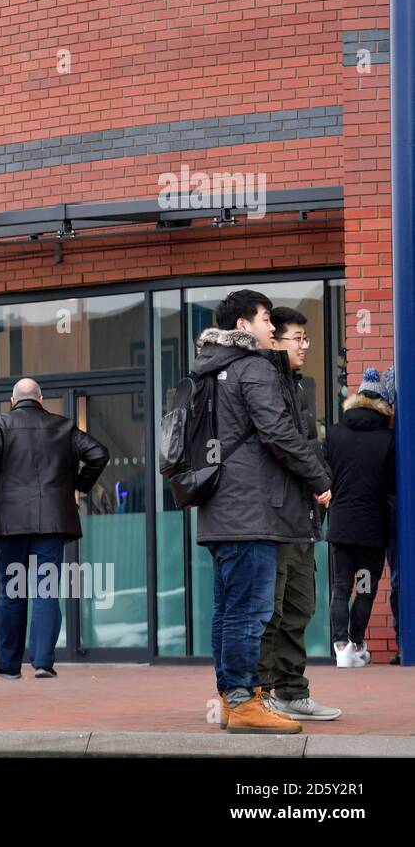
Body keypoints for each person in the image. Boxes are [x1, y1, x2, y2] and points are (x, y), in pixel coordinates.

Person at [192, 290, 331, 734]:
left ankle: (231, 699)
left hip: (219, 510)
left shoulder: (207, 368)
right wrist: (319, 479)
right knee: (250, 611)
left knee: (228, 610)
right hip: (252, 509)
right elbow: (278, 433)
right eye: (266, 318)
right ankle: (246, 701)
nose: (272, 327)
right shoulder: (252, 367)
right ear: (243, 326)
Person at [0, 378, 109, 679]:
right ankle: (43, 662)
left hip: (9, 523)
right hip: (52, 521)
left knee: (11, 589)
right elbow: (99, 454)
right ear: (41, 398)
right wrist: (78, 486)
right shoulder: (63, 427)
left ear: (12, 400)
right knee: (46, 589)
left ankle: (9, 665)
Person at [255, 307, 341, 720]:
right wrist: (317, 479)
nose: (305, 346)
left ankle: (292, 691)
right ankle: (264, 691)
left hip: (304, 518)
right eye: (297, 338)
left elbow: (309, 446)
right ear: (274, 339)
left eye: (307, 338)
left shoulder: (295, 386)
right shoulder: (265, 384)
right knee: (271, 613)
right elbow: (281, 444)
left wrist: (321, 478)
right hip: (277, 516)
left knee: (299, 609)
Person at [325, 367, 396, 668]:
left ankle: (341, 646)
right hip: (370, 530)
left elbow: (325, 474)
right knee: (364, 587)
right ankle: (356, 643)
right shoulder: (389, 439)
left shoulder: (335, 433)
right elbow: (393, 485)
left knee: (341, 586)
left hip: (341, 526)